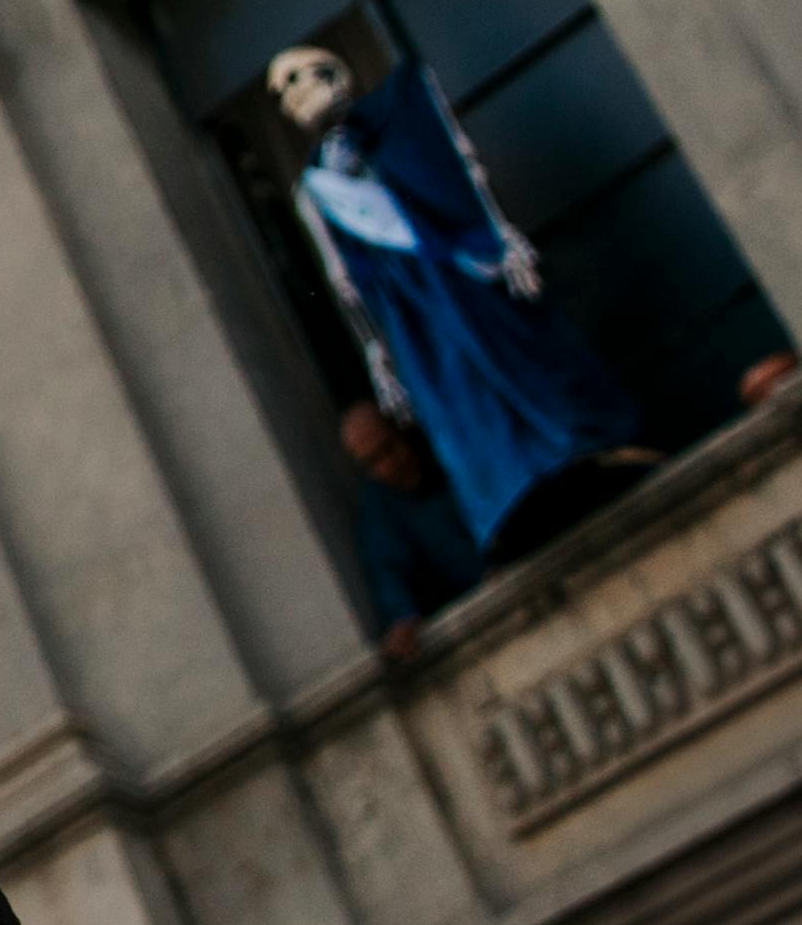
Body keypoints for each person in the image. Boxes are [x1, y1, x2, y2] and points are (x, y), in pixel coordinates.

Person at [270, 45, 651, 565]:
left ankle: (585, 446)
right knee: (455, 395)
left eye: (301, 77)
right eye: (282, 91)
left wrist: (501, 235)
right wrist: (376, 353)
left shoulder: (396, 115)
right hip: (407, 303)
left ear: (335, 72)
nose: (296, 94)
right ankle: (508, 498)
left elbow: (461, 166)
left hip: (456, 265)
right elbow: (343, 278)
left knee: (519, 354)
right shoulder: (314, 187)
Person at [333, 397, 487, 653]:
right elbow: (387, 567)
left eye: (389, 449)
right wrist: (403, 616)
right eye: (373, 462)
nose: (388, 466)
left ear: (401, 431)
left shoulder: (447, 446)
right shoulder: (380, 506)